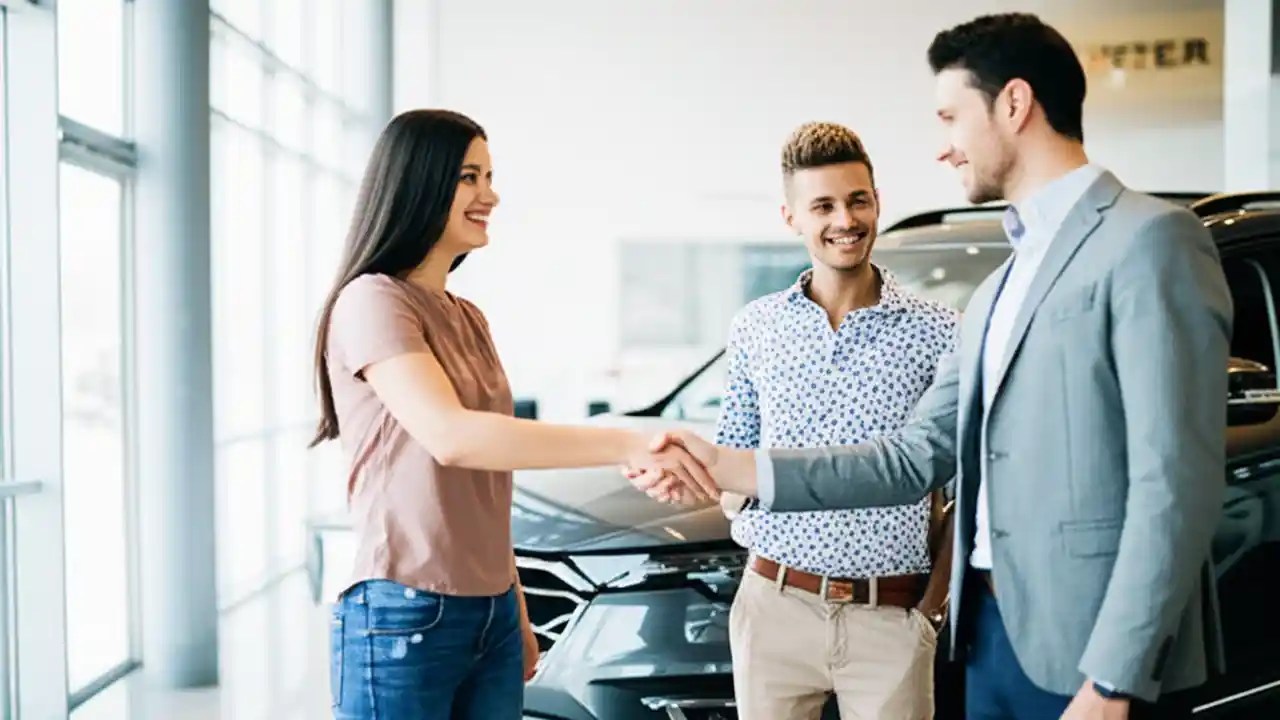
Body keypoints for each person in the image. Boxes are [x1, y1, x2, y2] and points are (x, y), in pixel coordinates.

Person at [633, 13, 1231, 720]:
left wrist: (1113, 679)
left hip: (1087, 657)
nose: (944, 149)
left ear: (1013, 104)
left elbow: (1175, 485)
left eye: (950, 117)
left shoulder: (1151, 240)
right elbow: (909, 459)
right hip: (991, 645)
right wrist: (723, 464)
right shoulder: (1000, 287)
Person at [312, 109, 717, 720]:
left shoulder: (468, 316)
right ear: (419, 183)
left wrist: (517, 611)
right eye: (469, 177)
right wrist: (626, 444)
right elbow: (455, 438)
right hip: (403, 610)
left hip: (493, 611)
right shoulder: (373, 300)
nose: (490, 195)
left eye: (489, 176)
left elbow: (488, 485)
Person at [714, 121, 957, 719]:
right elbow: (732, 457)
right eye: (822, 205)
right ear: (791, 217)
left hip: (892, 616)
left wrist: (932, 606)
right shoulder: (756, 327)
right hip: (773, 607)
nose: (844, 220)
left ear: (877, 204)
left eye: (858, 201)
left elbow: (964, 485)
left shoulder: (940, 332)